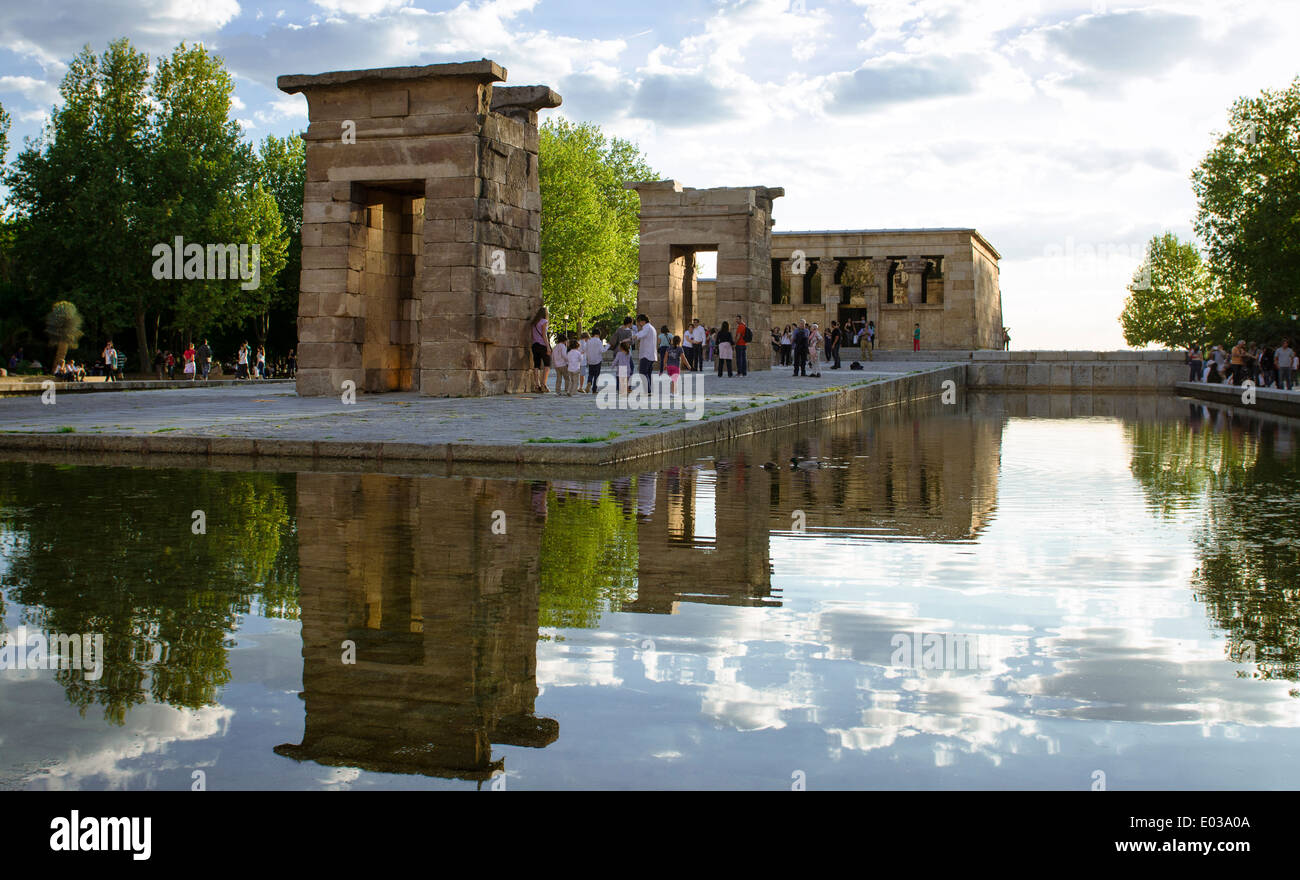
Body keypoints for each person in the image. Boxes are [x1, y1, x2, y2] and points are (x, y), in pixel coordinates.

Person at [530, 306, 551, 392]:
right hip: (542, 345)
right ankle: (543, 385)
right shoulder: (544, 321)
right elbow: (544, 335)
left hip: (534, 345)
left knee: (536, 365)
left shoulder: (534, 323)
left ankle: (536, 385)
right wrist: (548, 347)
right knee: (547, 364)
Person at [635, 314, 657, 388]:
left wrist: (630, 338)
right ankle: (649, 390)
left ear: (643, 321)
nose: (638, 324)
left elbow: (639, 335)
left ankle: (647, 390)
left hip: (646, 355)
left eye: (639, 322)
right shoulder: (652, 327)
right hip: (651, 354)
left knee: (643, 373)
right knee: (648, 373)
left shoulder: (647, 328)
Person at [584, 328, 606, 392]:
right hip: (597, 360)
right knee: (596, 375)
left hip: (590, 360)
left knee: (590, 374)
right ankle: (594, 389)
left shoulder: (588, 341)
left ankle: (589, 381)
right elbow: (602, 350)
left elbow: (585, 349)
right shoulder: (599, 341)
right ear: (598, 334)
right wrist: (607, 346)